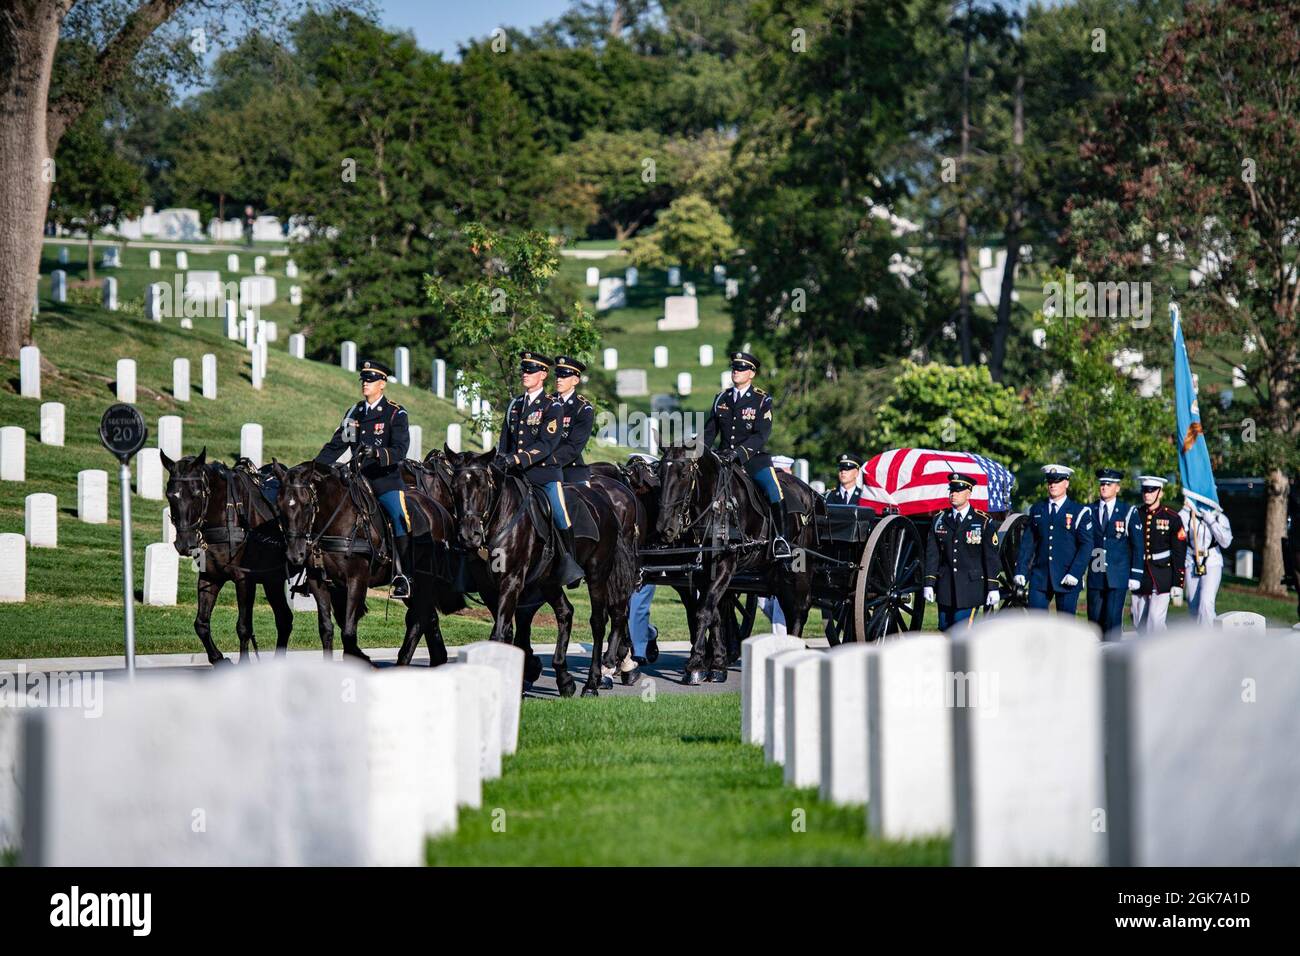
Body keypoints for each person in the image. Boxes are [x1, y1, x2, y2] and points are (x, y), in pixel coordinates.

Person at [315, 358, 413, 598]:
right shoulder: (355, 411)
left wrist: (378, 453)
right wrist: (314, 468)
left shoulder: (394, 413)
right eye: (364, 379)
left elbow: (400, 450)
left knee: (400, 517)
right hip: (357, 479)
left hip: (384, 479)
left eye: (371, 380)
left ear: (382, 384)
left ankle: (404, 575)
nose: (365, 384)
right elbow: (337, 445)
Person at [495, 351, 584, 588]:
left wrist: (516, 459)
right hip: (514, 475)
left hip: (543, 474)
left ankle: (569, 563)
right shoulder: (514, 404)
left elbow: (547, 444)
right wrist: (499, 461)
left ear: (543, 375)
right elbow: (504, 440)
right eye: (524, 369)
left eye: (531, 370)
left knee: (559, 512)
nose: (526, 374)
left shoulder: (552, 406)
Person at [700, 351, 791, 559]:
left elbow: (761, 435)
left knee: (774, 490)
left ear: (752, 373)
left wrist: (739, 454)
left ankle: (781, 540)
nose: (736, 371)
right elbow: (708, 434)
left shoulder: (761, 399)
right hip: (722, 459)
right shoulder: (721, 398)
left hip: (753, 459)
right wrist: (696, 453)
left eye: (741, 369)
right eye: (734, 367)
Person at [923, 473, 1001, 630]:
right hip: (946, 587)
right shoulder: (940, 519)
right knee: (945, 627)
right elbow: (933, 554)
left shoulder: (982, 521)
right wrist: (929, 583)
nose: (953, 494)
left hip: (971, 589)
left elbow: (991, 558)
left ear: (969, 493)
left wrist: (993, 587)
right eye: (951, 490)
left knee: (961, 631)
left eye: (958, 491)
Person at [1015, 464, 1094, 614]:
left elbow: (1086, 545)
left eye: (1057, 481)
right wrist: (1021, 570)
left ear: (1066, 483)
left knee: (1065, 627)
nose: (1053, 485)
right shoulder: (1038, 509)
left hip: (1067, 576)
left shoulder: (1079, 512)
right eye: (1050, 481)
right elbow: (1028, 543)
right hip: (1040, 577)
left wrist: (1075, 572)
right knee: (1036, 622)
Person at [1086, 468, 1144, 640]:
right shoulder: (1089, 510)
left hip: (1117, 575)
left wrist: (1136, 574)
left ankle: (1111, 659)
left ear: (1117, 488)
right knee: (1094, 621)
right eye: (1102, 484)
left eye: (1108, 484)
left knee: (1112, 621)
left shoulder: (1127, 511)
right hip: (1096, 573)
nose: (1104, 487)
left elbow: (1137, 546)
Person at [1131, 475, 1188, 633]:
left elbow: (1179, 552)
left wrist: (1178, 582)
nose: (1147, 494)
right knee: (1138, 619)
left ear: (1160, 493)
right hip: (1140, 573)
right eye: (1144, 491)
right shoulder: (1135, 514)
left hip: (1162, 574)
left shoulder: (1171, 517)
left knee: (1155, 620)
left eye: (1151, 491)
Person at [1179, 495, 1233, 626]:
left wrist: (1212, 522)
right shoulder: (1187, 515)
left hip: (1212, 562)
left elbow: (1226, 542)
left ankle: (1208, 639)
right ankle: (1197, 637)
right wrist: (1185, 510)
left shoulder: (1220, 517)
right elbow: (1177, 531)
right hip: (1192, 562)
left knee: (1206, 603)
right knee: (1193, 605)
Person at [551, 355, 594, 486]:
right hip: (539, 466)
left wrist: (547, 461)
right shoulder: (546, 402)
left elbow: (573, 447)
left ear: (575, 380)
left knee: (577, 504)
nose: (559, 379)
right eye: (557, 375)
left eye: (564, 376)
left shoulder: (583, 408)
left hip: (569, 470)